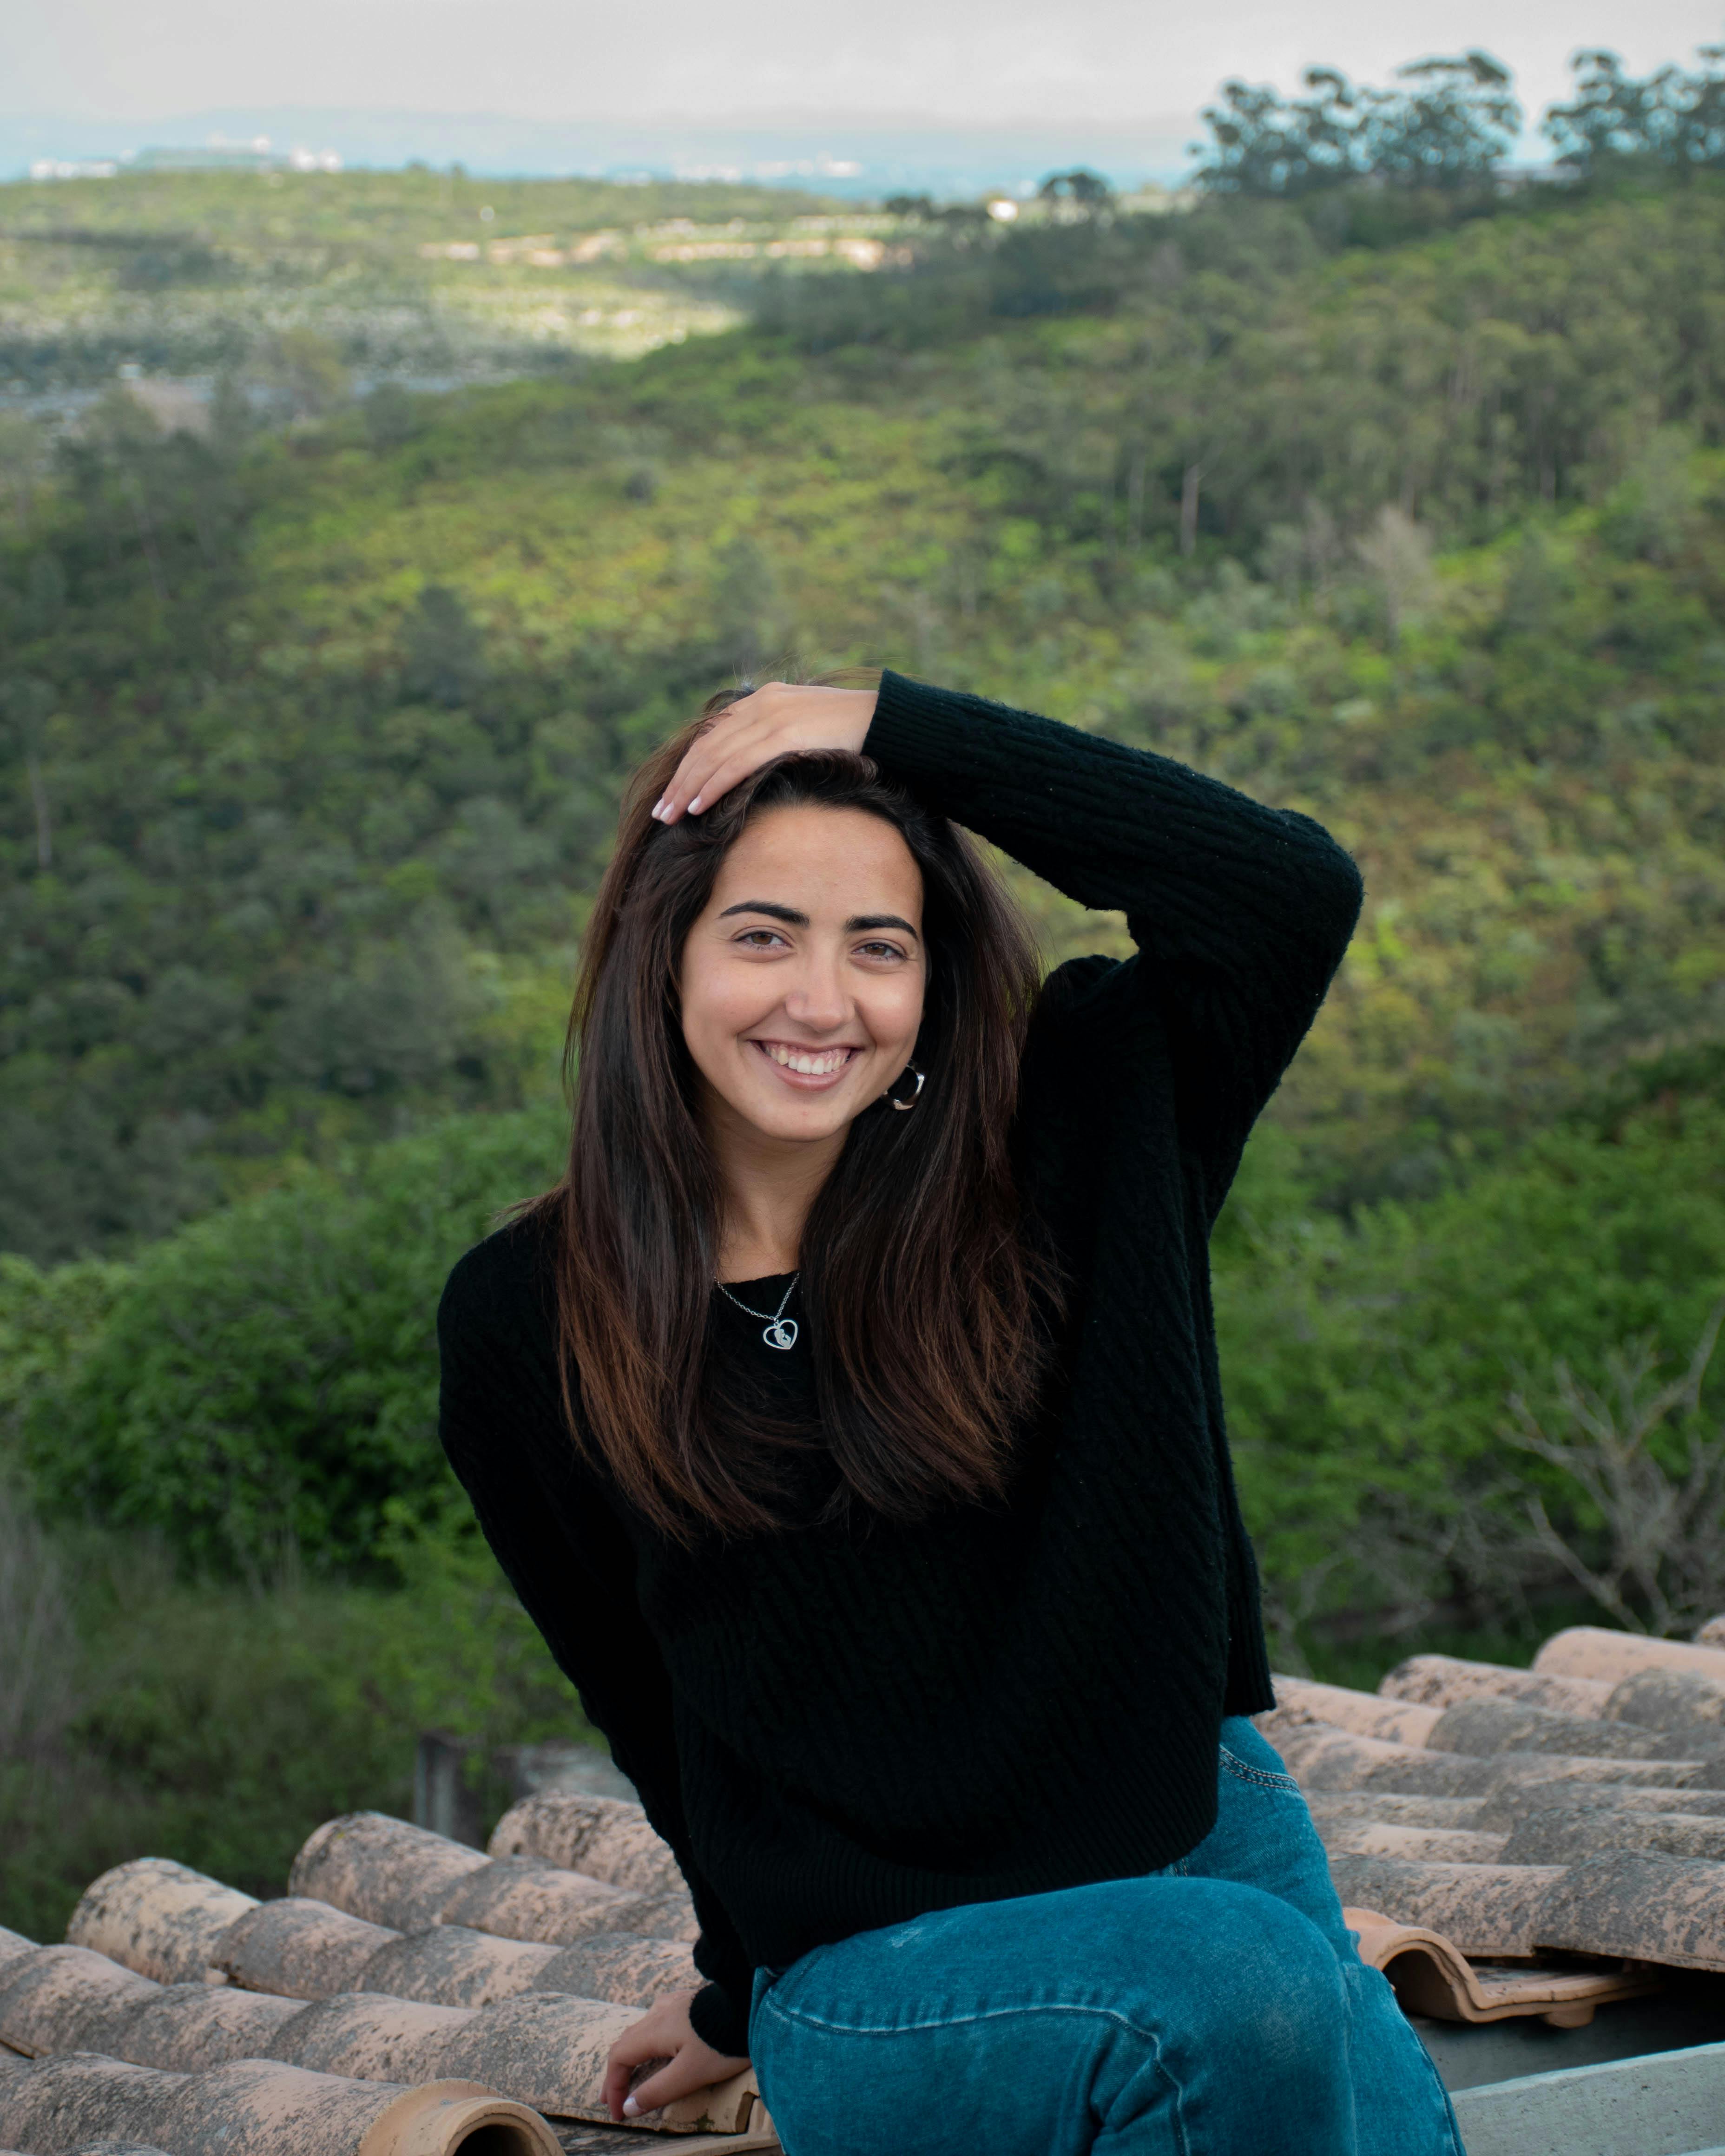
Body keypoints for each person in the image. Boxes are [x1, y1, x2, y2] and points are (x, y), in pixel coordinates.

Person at [437, 672, 1462, 2156]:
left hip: (1202, 1845)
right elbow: (648, 1705)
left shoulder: (1078, 1132)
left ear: (931, 979)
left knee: (1298, 2039)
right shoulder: (532, 1315)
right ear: (662, 954)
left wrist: (893, 727)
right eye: (763, 936)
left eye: (879, 946)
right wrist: (739, 1994)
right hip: (882, 1967)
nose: (819, 1001)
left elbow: (1284, 890)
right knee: (1237, 1994)